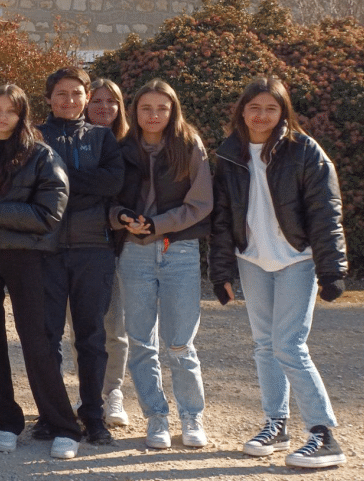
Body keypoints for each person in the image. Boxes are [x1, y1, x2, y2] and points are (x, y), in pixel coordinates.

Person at [210, 77, 347, 469]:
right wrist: (221, 271)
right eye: (255, 107)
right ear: (242, 111)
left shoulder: (305, 151)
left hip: (296, 260)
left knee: (289, 346)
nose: (262, 115)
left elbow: (326, 212)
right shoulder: (229, 153)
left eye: (271, 108)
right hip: (252, 260)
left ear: (283, 113)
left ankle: (323, 435)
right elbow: (222, 217)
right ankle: (277, 423)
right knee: (264, 345)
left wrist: (332, 269)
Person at [0, 84, 80, 459]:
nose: (1, 117)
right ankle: (6, 423)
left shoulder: (42, 155)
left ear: (22, 115)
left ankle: (64, 427)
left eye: (10, 110)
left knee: (37, 343)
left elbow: (49, 214)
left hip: (28, 258)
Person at [111, 79, 213, 450]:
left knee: (180, 343)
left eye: (162, 108)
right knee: (140, 342)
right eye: (146, 108)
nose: (154, 116)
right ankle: (156, 416)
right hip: (134, 253)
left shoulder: (189, 145)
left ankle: (191, 415)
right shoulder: (121, 149)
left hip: (179, 250)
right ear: (134, 111)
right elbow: (105, 201)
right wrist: (123, 217)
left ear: (173, 111)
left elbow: (201, 204)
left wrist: (159, 224)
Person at [33, 67, 125, 446]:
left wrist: (61, 182)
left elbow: (112, 182)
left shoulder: (103, 138)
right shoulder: (35, 136)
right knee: (46, 338)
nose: (68, 101)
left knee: (91, 338)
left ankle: (93, 415)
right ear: (49, 98)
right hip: (45, 251)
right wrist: (76, 185)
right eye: (61, 94)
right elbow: (31, 185)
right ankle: (51, 415)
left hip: (93, 250)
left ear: (87, 97)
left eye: (76, 94)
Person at [86, 78, 132, 428]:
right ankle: (87, 391)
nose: (103, 106)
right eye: (96, 100)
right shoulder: (77, 142)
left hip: (124, 247)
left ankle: (112, 392)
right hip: (82, 246)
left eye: (110, 100)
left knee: (114, 327)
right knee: (82, 329)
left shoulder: (131, 145)